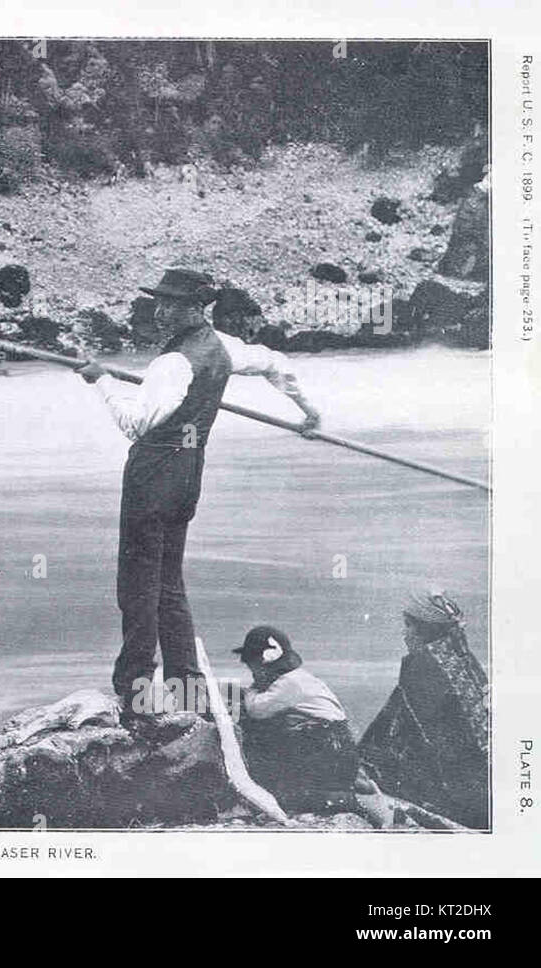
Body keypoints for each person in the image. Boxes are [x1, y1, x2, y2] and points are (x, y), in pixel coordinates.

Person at [76, 268, 321, 718]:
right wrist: (308, 412)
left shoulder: (171, 364)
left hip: (152, 473)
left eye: (167, 303)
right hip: (189, 472)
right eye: (158, 301)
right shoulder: (221, 347)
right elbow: (275, 363)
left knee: (138, 587)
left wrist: (101, 381)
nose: (158, 310)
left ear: (192, 308)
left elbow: (135, 424)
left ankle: (133, 695)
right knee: (169, 584)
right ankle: (186, 687)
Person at [234, 625, 359, 812]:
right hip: (337, 747)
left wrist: (250, 690)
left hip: (326, 748)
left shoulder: (288, 684)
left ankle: (342, 798)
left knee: (289, 797)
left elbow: (256, 710)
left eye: (253, 665)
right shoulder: (299, 678)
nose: (252, 671)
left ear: (262, 664)